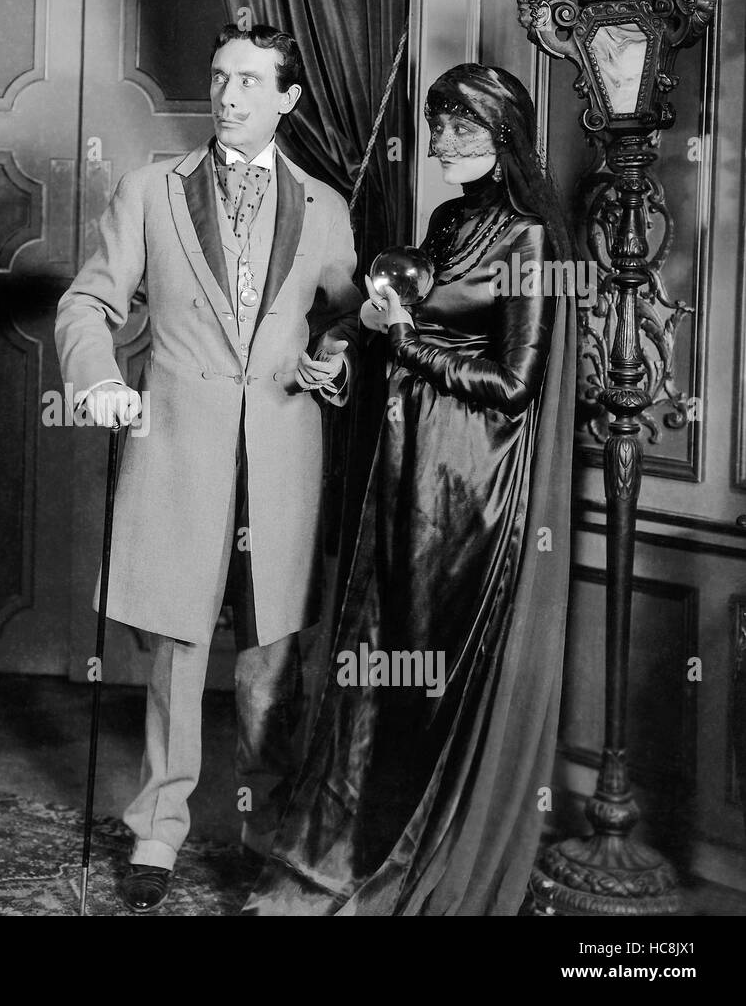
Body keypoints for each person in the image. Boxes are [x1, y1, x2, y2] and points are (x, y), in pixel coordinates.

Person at [245, 63, 577, 915]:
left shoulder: (530, 239)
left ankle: (421, 853)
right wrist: (355, 338)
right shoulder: (445, 219)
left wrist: (404, 340)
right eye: (436, 125)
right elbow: (387, 310)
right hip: (405, 468)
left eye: (463, 128)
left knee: (428, 674)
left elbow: (514, 384)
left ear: (504, 137)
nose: (442, 142)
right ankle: (352, 847)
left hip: (471, 490)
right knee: (381, 664)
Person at [55, 23, 360, 913]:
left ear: (287, 100)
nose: (227, 97)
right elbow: (87, 301)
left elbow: (339, 326)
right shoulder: (151, 190)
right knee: (179, 649)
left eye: (249, 83)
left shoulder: (327, 206)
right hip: (179, 451)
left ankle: (268, 834)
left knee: (270, 659)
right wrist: (99, 380)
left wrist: (332, 359)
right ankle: (158, 826)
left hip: (282, 459)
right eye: (219, 77)